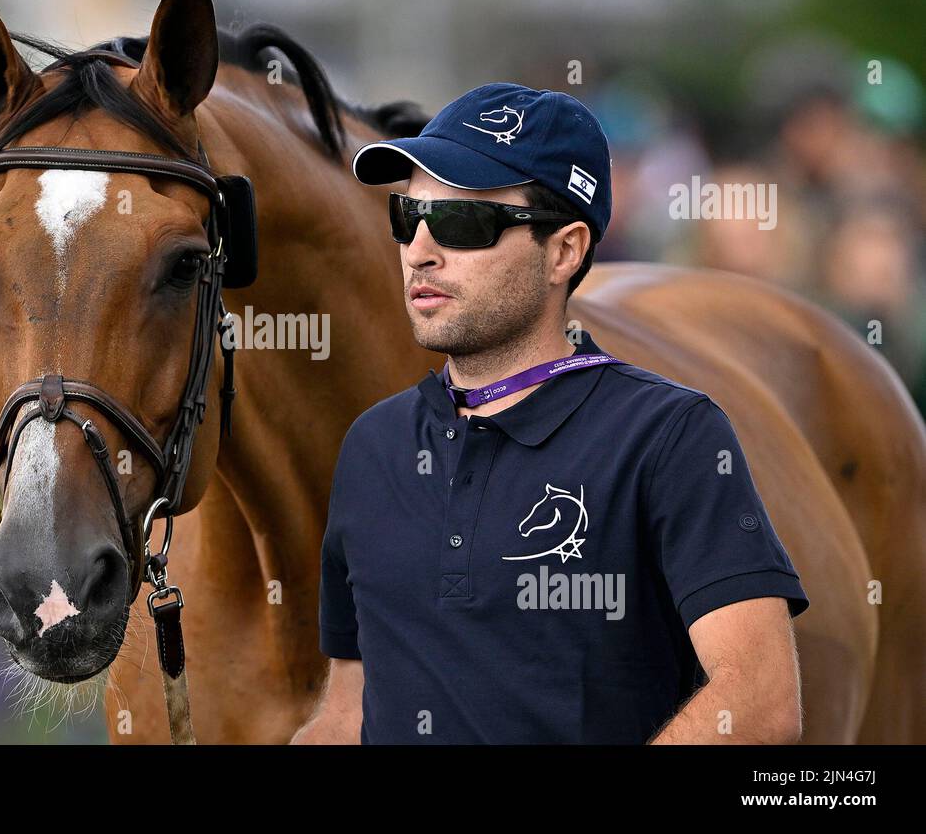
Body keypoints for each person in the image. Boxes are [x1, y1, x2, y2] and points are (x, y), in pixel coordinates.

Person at [292, 83, 808, 744]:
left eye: (461, 222)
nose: (420, 249)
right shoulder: (374, 442)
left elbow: (761, 704)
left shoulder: (670, 435)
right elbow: (345, 714)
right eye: (407, 216)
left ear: (564, 251)